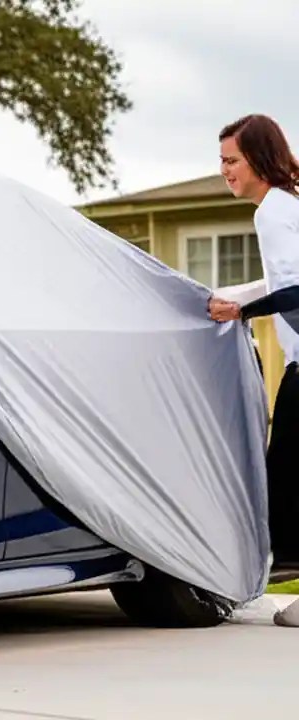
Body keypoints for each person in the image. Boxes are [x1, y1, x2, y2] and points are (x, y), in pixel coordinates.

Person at [206, 114, 299, 626]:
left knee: (285, 479)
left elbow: (296, 290)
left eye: (232, 160)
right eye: (221, 161)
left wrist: (241, 312)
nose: (225, 170)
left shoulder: (274, 214)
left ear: (258, 160)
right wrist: (234, 298)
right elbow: (280, 283)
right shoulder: (287, 205)